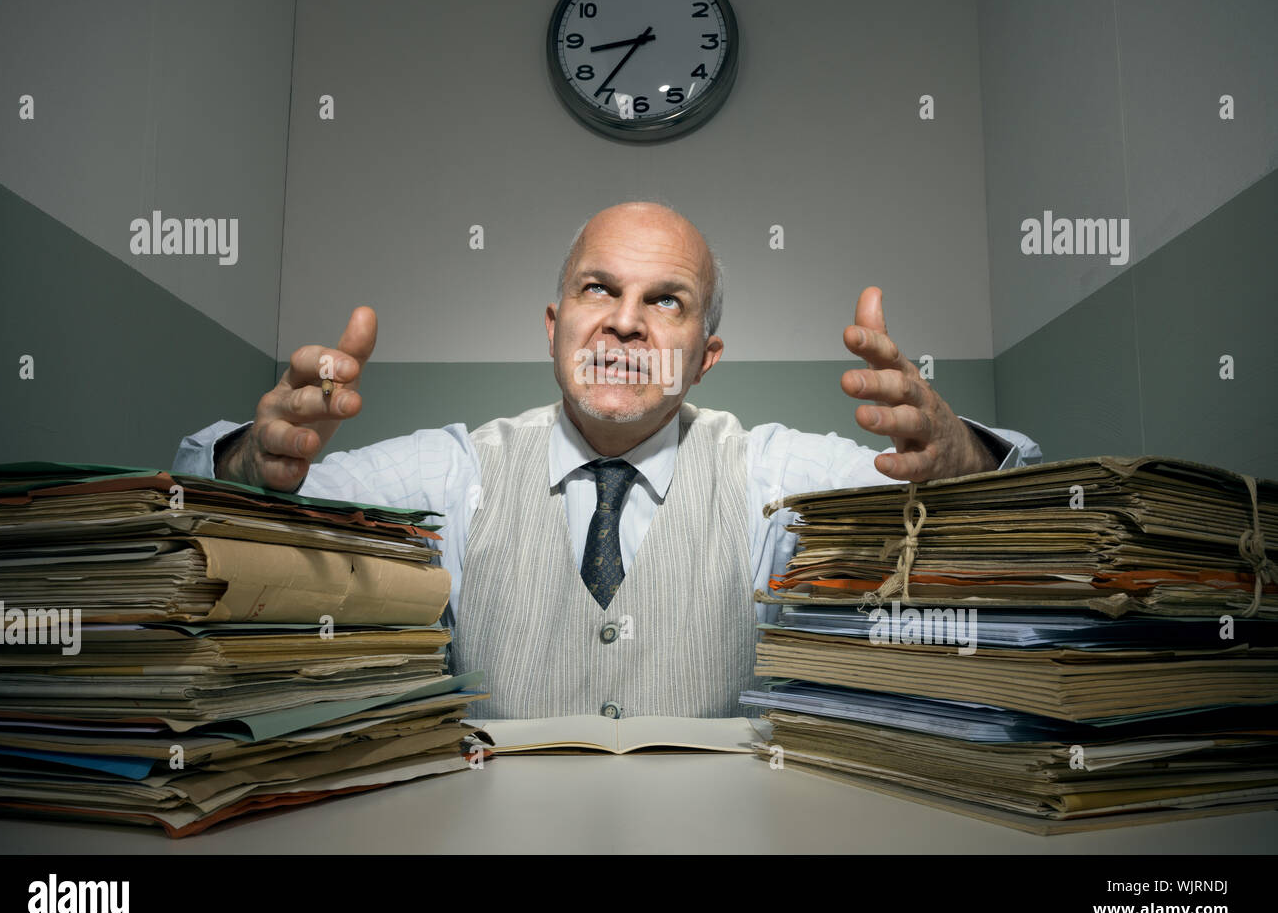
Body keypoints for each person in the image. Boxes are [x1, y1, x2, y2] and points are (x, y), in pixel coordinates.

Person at [173, 201, 1040, 718]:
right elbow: (231, 514)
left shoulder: (771, 474)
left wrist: (961, 455)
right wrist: (257, 462)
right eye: (600, 288)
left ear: (705, 355)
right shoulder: (454, 471)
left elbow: (1004, 515)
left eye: (666, 300)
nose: (626, 322)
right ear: (555, 329)